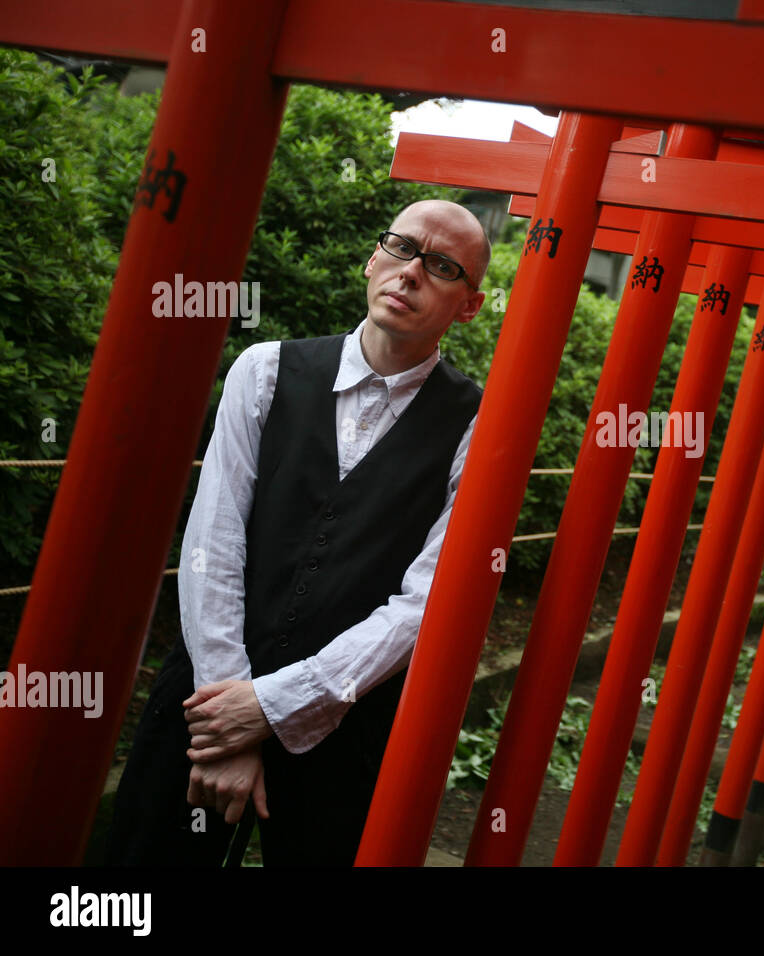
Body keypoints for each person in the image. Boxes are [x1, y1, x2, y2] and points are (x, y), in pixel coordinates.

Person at [106, 200, 489, 866]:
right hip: (205, 701)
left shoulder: (478, 423)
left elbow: (428, 600)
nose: (410, 273)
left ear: (469, 306)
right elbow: (211, 544)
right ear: (373, 260)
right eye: (400, 248)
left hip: (351, 720)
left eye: (442, 266)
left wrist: (277, 705)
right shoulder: (263, 371)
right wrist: (232, 716)